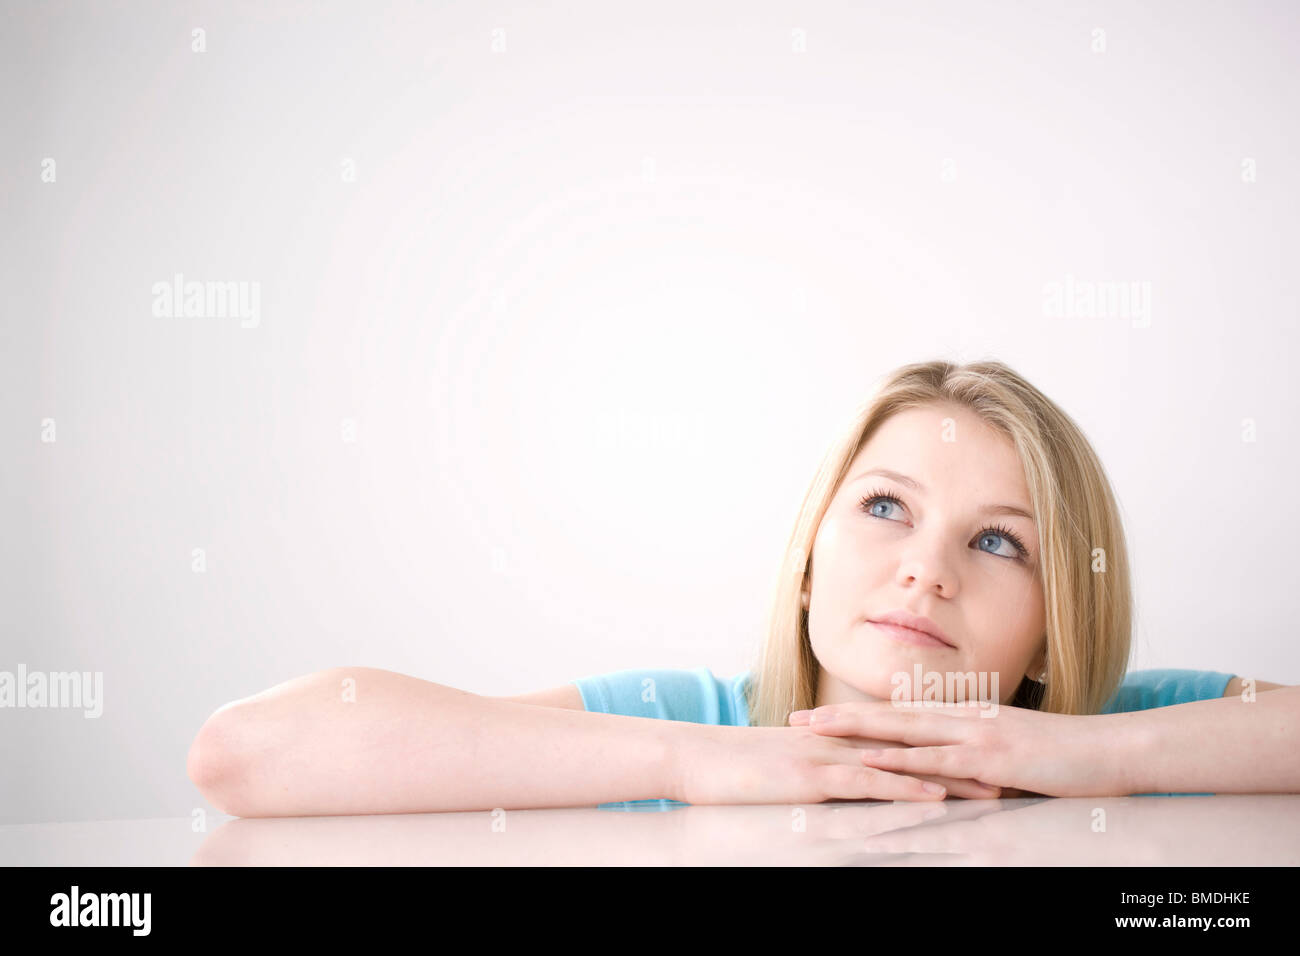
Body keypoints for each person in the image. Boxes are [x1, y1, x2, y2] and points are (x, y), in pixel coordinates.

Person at [187, 359, 1296, 817]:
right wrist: (693, 762)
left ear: (1061, 626)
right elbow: (245, 752)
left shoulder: (1114, 729)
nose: (925, 567)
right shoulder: (694, 722)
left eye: (1000, 543)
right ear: (808, 555)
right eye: (884, 507)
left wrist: (1091, 752)